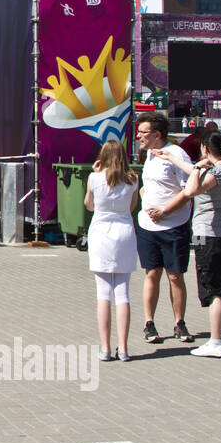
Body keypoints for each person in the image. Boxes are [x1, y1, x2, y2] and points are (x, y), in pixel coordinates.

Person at [135, 112, 194, 344]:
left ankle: (180, 322)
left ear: (157, 135)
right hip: (148, 226)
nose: (138, 136)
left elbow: (188, 190)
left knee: (175, 276)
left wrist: (165, 211)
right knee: (152, 273)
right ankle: (149, 323)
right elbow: (148, 185)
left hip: (173, 225)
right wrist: (145, 198)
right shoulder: (148, 155)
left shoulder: (177, 155)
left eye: (143, 132)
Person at [182, 133, 221, 358]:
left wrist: (197, 167)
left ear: (205, 148)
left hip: (207, 234)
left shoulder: (214, 173)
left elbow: (191, 190)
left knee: (212, 288)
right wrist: (171, 158)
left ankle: (215, 341)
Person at [84, 139, 138, 362]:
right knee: (123, 292)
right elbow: (133, 207)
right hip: (124, 232)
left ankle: (105, 347)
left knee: (103, 293)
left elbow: (89, 205)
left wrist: (95, 175)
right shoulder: (133, 178)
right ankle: (123, 348)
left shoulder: (95, 178)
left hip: (101, 233)